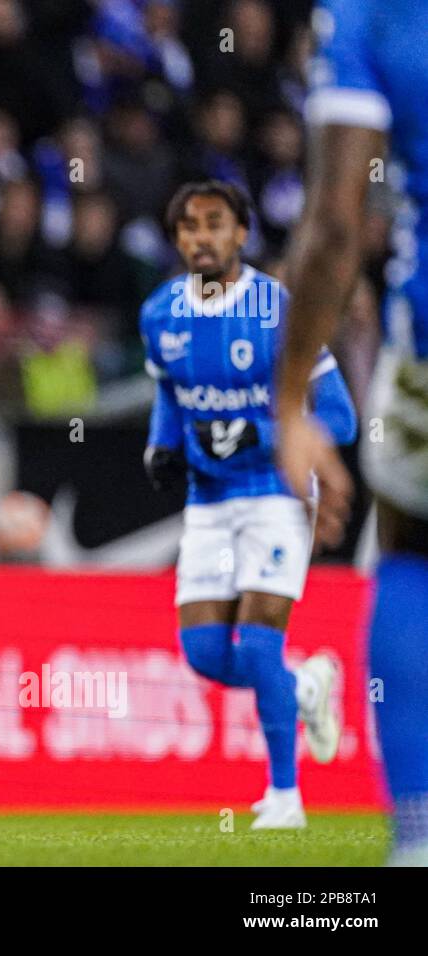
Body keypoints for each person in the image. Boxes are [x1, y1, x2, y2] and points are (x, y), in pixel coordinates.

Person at [141, 180, 357, 828]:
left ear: (241, 234)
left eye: (214, 225)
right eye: (188, 227)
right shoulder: (161, 314)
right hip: (208, 500)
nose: (200, 238)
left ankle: (285, 797)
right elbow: (169, 398)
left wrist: (260, 434)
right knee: (205, 652)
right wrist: (161, 445)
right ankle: (309, 686)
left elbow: (341, 417)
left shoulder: (280, 311)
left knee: (262, 645)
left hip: (275, 494)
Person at [274, 0, 428, 865]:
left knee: (410, 547)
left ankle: (418, 835)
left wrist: (290, 401)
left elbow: (333, 227)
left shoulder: (370, 12)